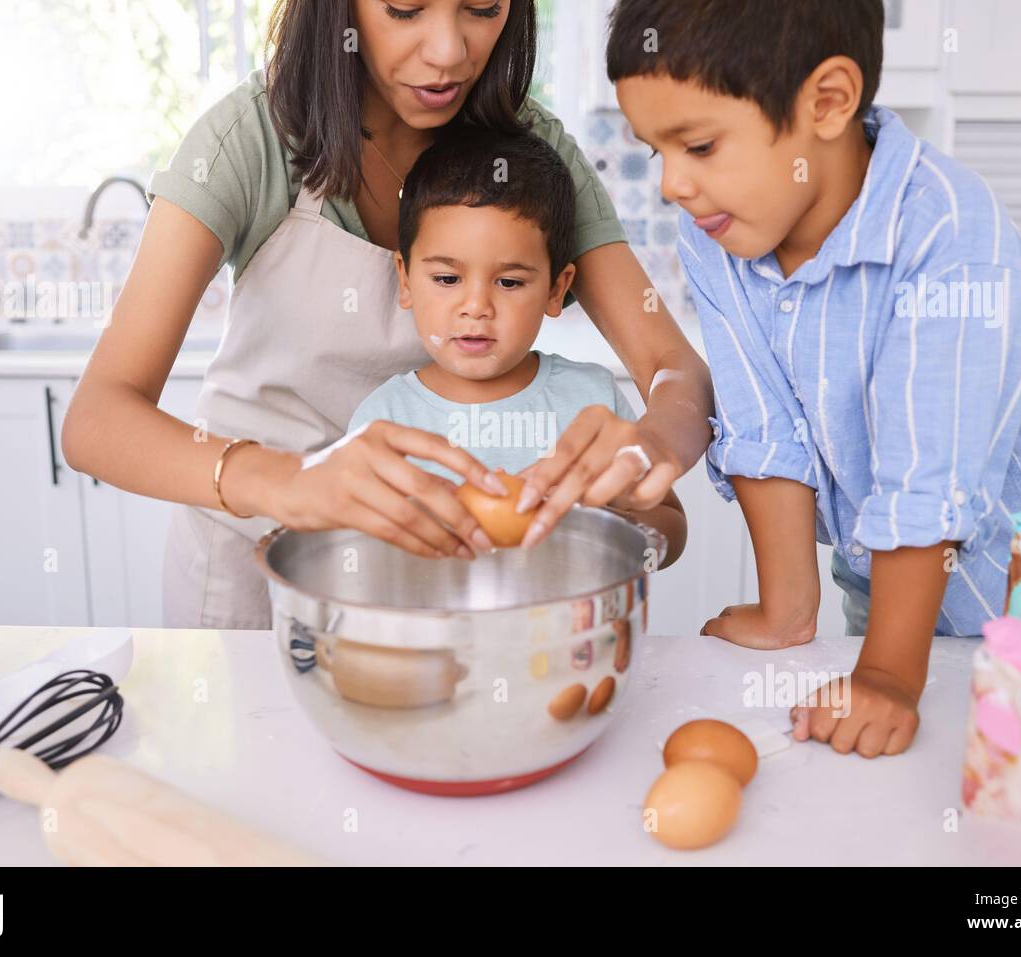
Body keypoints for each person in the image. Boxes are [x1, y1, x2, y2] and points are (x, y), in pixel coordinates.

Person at [61, 1, 712, 629]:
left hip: (428, 587)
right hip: (253, 564)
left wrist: (651, 442)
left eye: (484, 8)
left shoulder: (531, 156)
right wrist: (289, 480)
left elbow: (673, 368)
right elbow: (96, 418)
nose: (449, 52)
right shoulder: (250, 139)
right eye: (405, 10)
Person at [607, 0, 1021, 756]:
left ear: (829, 101)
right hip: (889, 607)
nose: (674, 184)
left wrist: (886, 673)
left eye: (701, 146)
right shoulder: (718, 231)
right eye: (657, 153)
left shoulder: (947, 235)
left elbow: (926, 474)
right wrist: (789, 613)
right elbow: (764, 425)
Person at [348, 129, 687, 560]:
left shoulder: (591, 401)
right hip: (433, 627)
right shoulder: (383, 419)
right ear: (405, 278)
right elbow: (356, 548)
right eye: (447, 279)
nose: (476, 307)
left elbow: (671, 530)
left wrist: (604, 515)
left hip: (564, 627)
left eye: (509, 282)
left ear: (555, 289)